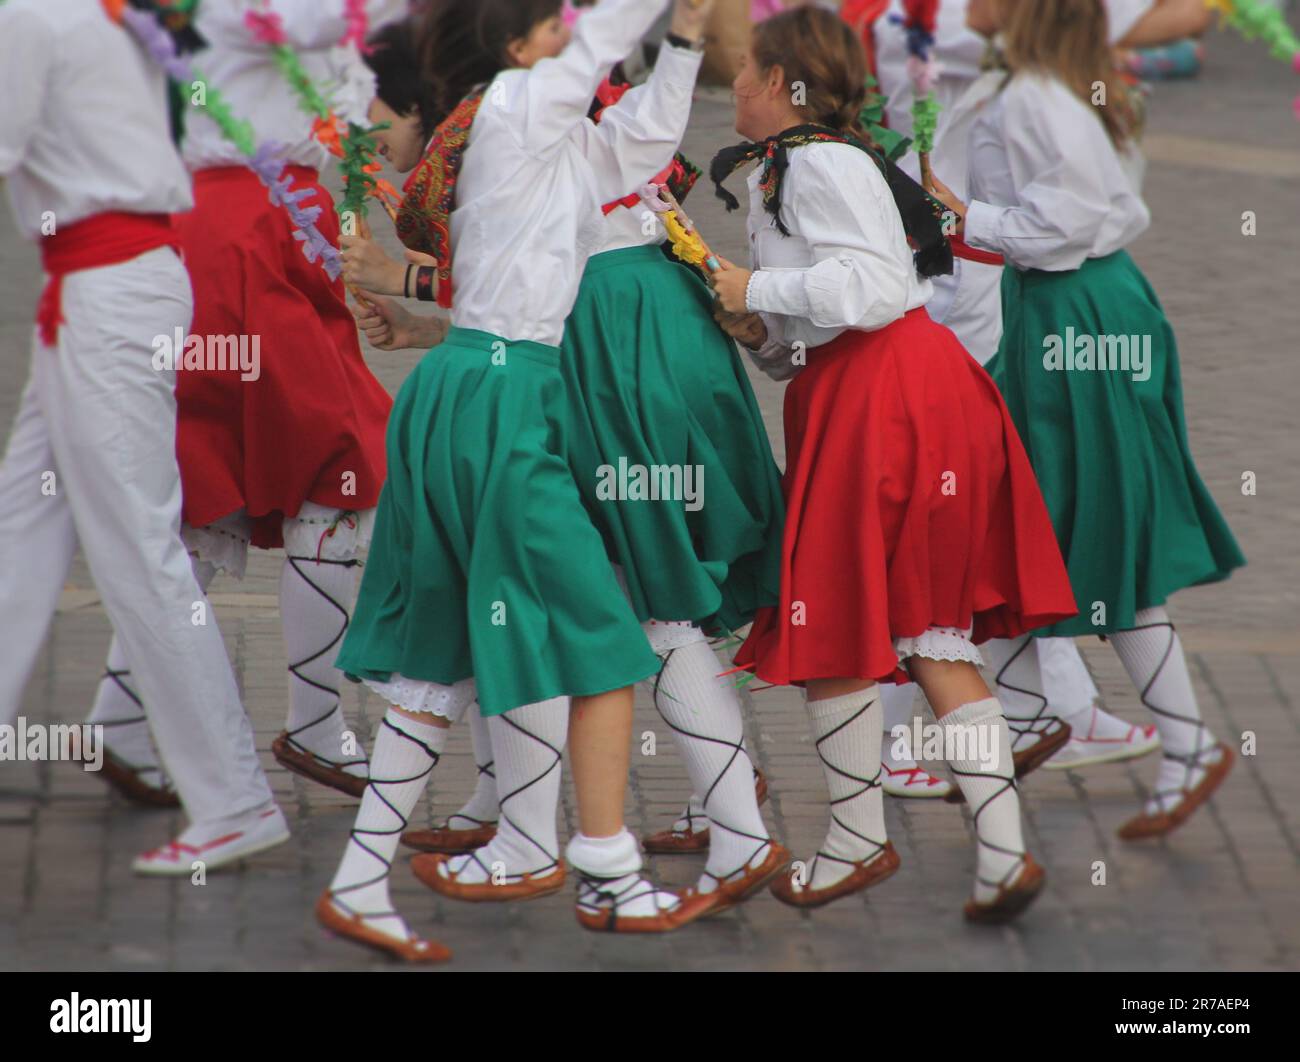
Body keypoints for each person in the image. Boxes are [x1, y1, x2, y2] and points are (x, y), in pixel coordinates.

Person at [316, 0, 721, 963]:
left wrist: (690, 40)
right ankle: (606, 865)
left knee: (440, 658)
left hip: (485, 392)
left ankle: (360, 881)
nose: (572, 38)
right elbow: (594, 49)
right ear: (517, 46)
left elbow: (648, 136)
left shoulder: (557, 139)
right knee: (607, 640)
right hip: (498, 394)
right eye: (555, 26)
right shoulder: (517, 105)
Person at [711, 5, 1078, 919]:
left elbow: (869, 289)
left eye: (748, 67)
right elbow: (828, 317)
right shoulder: (811, 164)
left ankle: (855, 840)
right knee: (926, 631)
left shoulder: (813, 164)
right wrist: (761, 326)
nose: (735, 81)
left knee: (837, 612)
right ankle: (1002, 855)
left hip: (881, 398)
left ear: (787, 82)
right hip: (912, 388)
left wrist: (751, 286)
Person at [83, 0, 410, 806]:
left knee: (210, 487)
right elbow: (313, 26)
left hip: (225, 228)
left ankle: (119, 720)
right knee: (339, 460)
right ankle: (313, 719)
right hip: (250, 235)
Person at [930, 0, 1243, 840]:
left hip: (1074, 312)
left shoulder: (1036, 91)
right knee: (1042, 524)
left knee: (1078, 528)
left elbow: (1062, 223)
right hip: (1069, 310)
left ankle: (1172, 741)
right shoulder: (1039, 76)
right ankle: (1053, 716)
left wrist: (963, 218)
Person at [0, 0, 285, 874]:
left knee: (136, 551)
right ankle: (230, 795)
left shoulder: (32, 16)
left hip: (106, 294)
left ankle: (235, 799)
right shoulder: (86, 11)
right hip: (107, 287)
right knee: (23, 528)